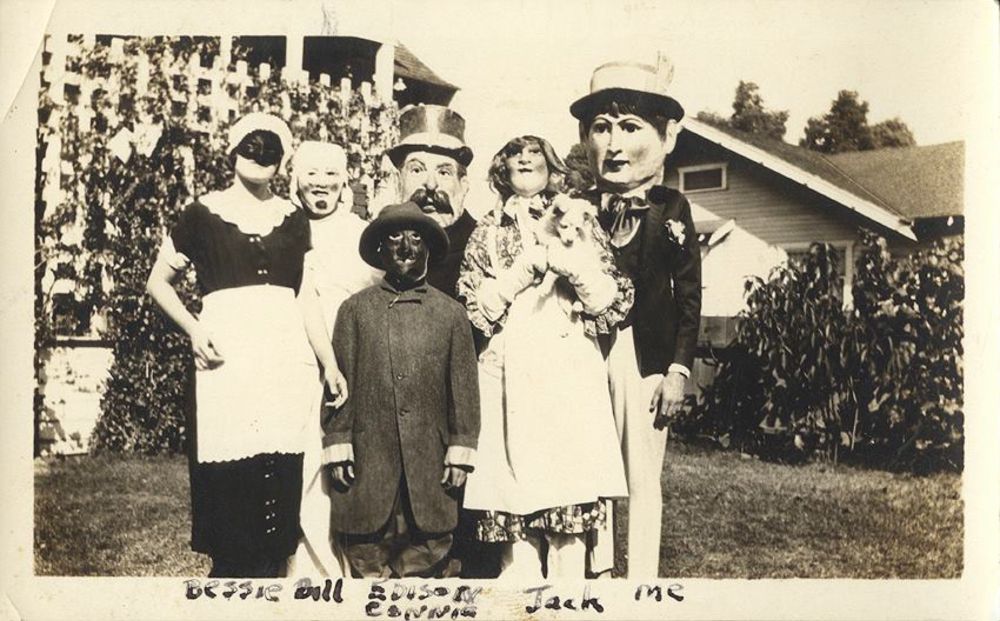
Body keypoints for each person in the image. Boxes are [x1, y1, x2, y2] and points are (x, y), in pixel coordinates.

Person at [146, 112, 348, 578]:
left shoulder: (294, 220)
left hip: (286, 368)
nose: (260, 155)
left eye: (271, 148)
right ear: (233, 150)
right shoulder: (202, 214)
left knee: (277, 499)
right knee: (232, 503)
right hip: (229, 369)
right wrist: (195, 329)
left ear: (283, 160)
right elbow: (159, 282)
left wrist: (330, 363)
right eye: (251, 145)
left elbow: (305, 296)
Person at [457, 135, 632, 579]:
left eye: (536, 156)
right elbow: (476, 307)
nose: (527, 161)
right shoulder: (489, 229)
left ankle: (568, 587)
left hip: (566, 363)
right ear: (503, 170)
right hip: (509, 367)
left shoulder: (581, 218)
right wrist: (518, 273)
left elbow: (611, 300)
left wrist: (576, 269)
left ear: (552, 167)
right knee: (514, 492)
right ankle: (520, 583)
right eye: (517, 158)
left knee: (566, 486)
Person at [570, 56, 702, 578]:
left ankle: (642, 580)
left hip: (645, 357)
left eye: (630, 127)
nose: (614, 144)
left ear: (666, 136)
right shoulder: (575, 206)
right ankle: (598, 575)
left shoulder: (673, 208)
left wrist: (678, 370)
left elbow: (689, 296)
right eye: (601, 128)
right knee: (590, 466)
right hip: (583, 353)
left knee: (643, 473)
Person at [322, 202, 480, 578]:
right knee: (363, 548)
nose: (406, 246)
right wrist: (338, 440)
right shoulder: (354, 311)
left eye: (416, 237)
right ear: (380, 248)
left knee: (432, 547)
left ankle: (407, 582)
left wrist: (460, 448)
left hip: (430, 462)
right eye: (394, 236)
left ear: (428, 248)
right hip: (370, 460)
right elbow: (339, 383)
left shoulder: (450, 313)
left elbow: (464, 387)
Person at [286, 141, 381, 577]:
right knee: (304, 466)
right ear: (295, 180)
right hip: (297, 365)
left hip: (350, 364)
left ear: (345, 180)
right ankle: (309, 571)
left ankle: (348, 567)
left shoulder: (361, 232)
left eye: (330, 174)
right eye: (311, 174)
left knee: (348, 468)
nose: (320, 184)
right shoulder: (285, 228)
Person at [386, 104, 477, 300]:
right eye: (417, 170)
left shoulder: (482, 247)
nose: (430, 184)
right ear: (397, 181)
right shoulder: (380, 248)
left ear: (463, 185)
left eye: (444, 172)